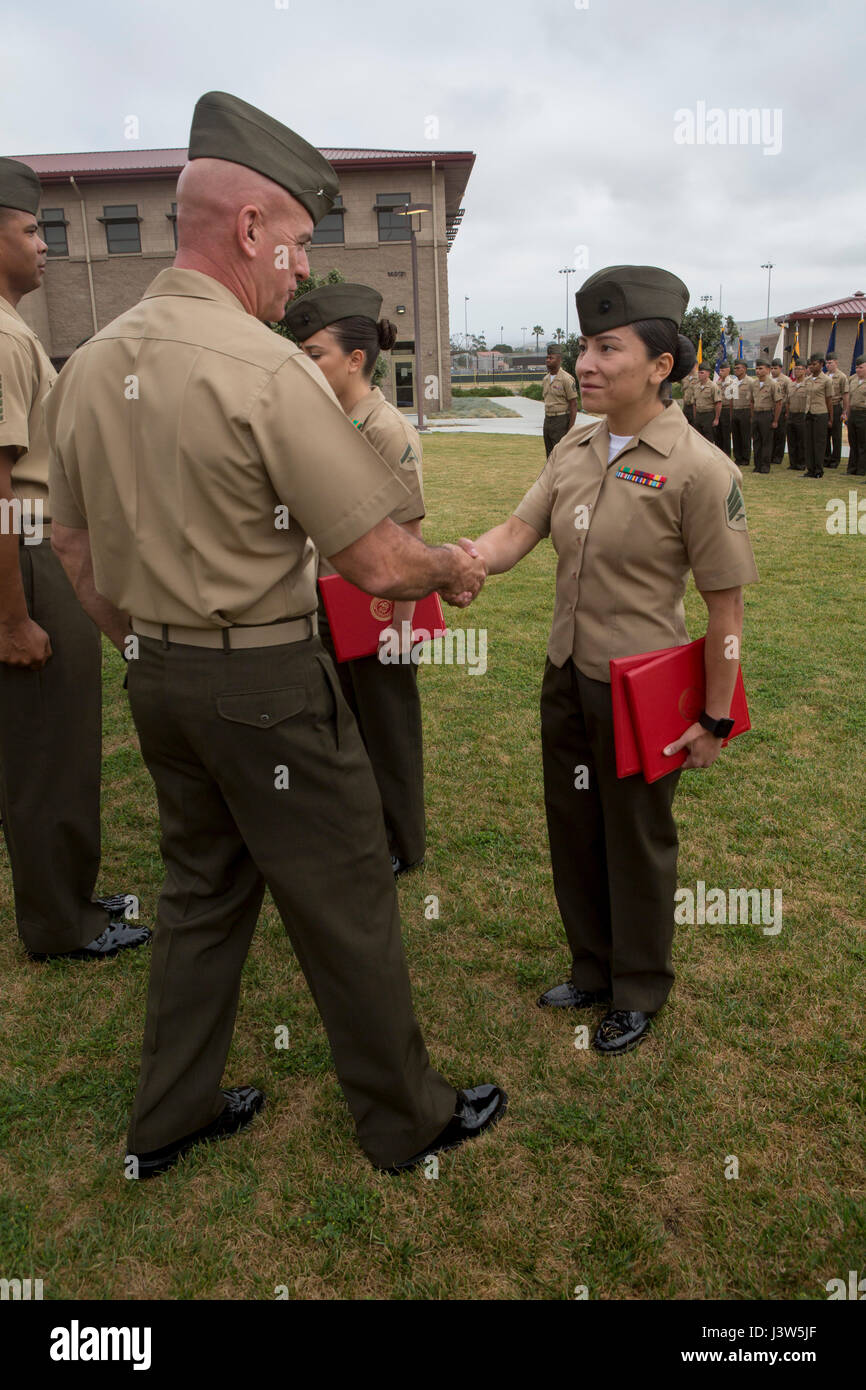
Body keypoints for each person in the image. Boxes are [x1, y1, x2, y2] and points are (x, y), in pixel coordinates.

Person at [45, 91, 505, 1177]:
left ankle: (169, 1115)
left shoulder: (88, 364)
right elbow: (379, 560)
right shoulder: (266, 369)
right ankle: (404, 1117)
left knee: (201, 894)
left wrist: (140, 639)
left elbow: (67, 546)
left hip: (157, 676)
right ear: (248, 229)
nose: (302, 270)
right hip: (264, 682)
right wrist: (452, 566)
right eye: (297, 243)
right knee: (346, 892)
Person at [460, 266, 759, 1054]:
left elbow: (724, 607)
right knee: (575, 827)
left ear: (661, 365)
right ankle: (591, 968)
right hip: (568, 675)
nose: (585, 361)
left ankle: (638, 986)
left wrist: (715, 718)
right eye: (584, 345)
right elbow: (516, 533)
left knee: (636, 838)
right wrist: (455, 565)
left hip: (640, 691)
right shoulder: (575, 446)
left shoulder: (700, 468)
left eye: (607, 347)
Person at [0, 156, 150, 962]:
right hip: (23, 553)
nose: (43, 244)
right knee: (47, 746)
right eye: (30, 229)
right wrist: (15, 614)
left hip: (30, 549)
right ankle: (62, 922)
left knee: (53, 741)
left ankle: (70, 895)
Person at [284, 282, 426, 877]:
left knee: (386, 730)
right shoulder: (325, 419)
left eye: (313, 353)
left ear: (356, 359)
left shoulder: (385, 429)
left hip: (372, 608)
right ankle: (355, 829)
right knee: (338, 726)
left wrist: (400, 627)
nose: (304, 365)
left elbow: (410, 532)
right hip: (321, 600)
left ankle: (401, 842)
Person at [542, 342, 578, 456]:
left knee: (560, 455)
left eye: (551, 358)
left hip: (561, 420)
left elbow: (573, 404)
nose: (548, 360)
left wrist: (570, 429)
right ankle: (551, 474)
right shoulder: (546, 379)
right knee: (550, 455)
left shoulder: (566, 379)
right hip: (548, 420)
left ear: (559, 359)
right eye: (547, 358)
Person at [800, 354, 833, 478]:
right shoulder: (807, 380)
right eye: (810, 365)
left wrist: (830, 418)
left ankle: (819, 470)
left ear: (821, 365)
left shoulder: (827, 380)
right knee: (808, 442)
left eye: (814, 364)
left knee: (819, 443)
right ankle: (810, 469)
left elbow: (829, 400)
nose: (812, 367)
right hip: (809, 413)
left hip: (820, 413)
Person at [750, 362, 783, 474]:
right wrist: (752, 416)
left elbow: (778, 403)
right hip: (757, 414)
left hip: (767, 414)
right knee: (756, 441)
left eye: (761, 368)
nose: (758, 371)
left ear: (768, 370)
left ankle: (765, 466)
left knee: (766, 442)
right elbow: (751, 401)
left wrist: (775, 420)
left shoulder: (773, 384)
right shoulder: (754, 384)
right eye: (757, 368)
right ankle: (757, 465)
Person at [823, 356, 848, 467]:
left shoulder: (842, 377)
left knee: (836, 435)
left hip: (836, 406)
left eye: (830, 363)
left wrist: (844, 411)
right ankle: (826, 457)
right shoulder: (825, 376)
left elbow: (845, 395)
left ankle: (835, 460)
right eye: (827, 363)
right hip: (825, 407)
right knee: (825, 434)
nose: (828, 365)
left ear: (836, 363)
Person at [844, 355, 866, 476]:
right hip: (853, 413)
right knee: (853, 442)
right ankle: (852, 468)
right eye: (857, 367)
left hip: (864, 413)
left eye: (861, 367)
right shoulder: (852, 379)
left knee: (863, 443)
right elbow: (849, 398)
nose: (858, 370)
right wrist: (847, 413)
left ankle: (862, 469)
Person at [730, 361, 753, 468]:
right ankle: (738, 457)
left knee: (745, 436)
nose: (736, 370)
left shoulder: (750, 382)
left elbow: (753, 399)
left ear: (744, 369)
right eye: (735, 368)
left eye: (738, 368)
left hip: (745, 410)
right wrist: (731, 412)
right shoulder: (733, 382)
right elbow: (731, 398)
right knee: (736, 436)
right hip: (735, 410)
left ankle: (745, 458)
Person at [692, 363, 721, 442]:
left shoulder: (713, 386)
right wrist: (695, 417)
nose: (699, 374)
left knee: (709, 439)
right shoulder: (696, 387)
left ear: (708, 373)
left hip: (708, 415)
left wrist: (716, 419)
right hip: (698, 415)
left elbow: (718, 403)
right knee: (698, 439)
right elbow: (694, 403)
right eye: (698, 372)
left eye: (702, 373)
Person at [786, 363, 807, 470]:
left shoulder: (807, 384)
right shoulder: (791, 385)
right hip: (792, 414)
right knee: (792, 440)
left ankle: (802, 463)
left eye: (800, 369)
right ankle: (793, 463)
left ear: (805, 371)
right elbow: (788, 402)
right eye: (796, 369)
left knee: (801, 440)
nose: (797, 371)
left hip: (802, 414)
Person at [769, 359, 790, 465]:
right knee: (770, 434)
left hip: (781, 409)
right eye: (771, 368)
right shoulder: (768, 379)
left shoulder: (786, 380)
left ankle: (778, 456)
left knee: (780, 434)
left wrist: (787, 411)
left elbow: (788, 396)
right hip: (770, 409)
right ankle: (771, 454)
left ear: (780, 368)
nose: (773, 370)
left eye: (775, 368)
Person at [714, 362, 734, 457]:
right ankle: (719, 453)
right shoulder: (717, 383)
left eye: (723, 370)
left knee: (726, 434)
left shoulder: (731, 383)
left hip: (726, 409)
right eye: (720, 370)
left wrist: (731, 414)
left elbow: (732, 400)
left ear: (728, 370)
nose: (720, 372)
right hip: (718, 410)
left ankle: (727, 454)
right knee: (717, 433)